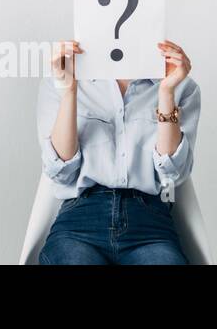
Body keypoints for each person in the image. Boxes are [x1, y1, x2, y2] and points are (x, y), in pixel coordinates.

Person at [35, 39, 200, 265]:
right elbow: (60, 171)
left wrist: (166, 93)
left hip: (149, 222)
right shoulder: (60, 80)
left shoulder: (182, 86)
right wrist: (69, 91)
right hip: (81, 218)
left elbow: (173, 174)